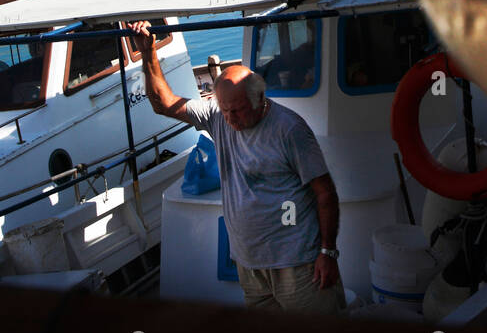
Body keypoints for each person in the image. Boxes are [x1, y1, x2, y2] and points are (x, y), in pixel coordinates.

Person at [126, 20, 344, 314]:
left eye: (238, 110)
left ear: (260, 99)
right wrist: (148, 53)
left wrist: (327, 252)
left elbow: (325, 193)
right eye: (225, 109)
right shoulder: (218, 116)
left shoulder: (290, 130)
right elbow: (164, 103)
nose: (230, 118)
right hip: (250, 267)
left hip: (299, 265)